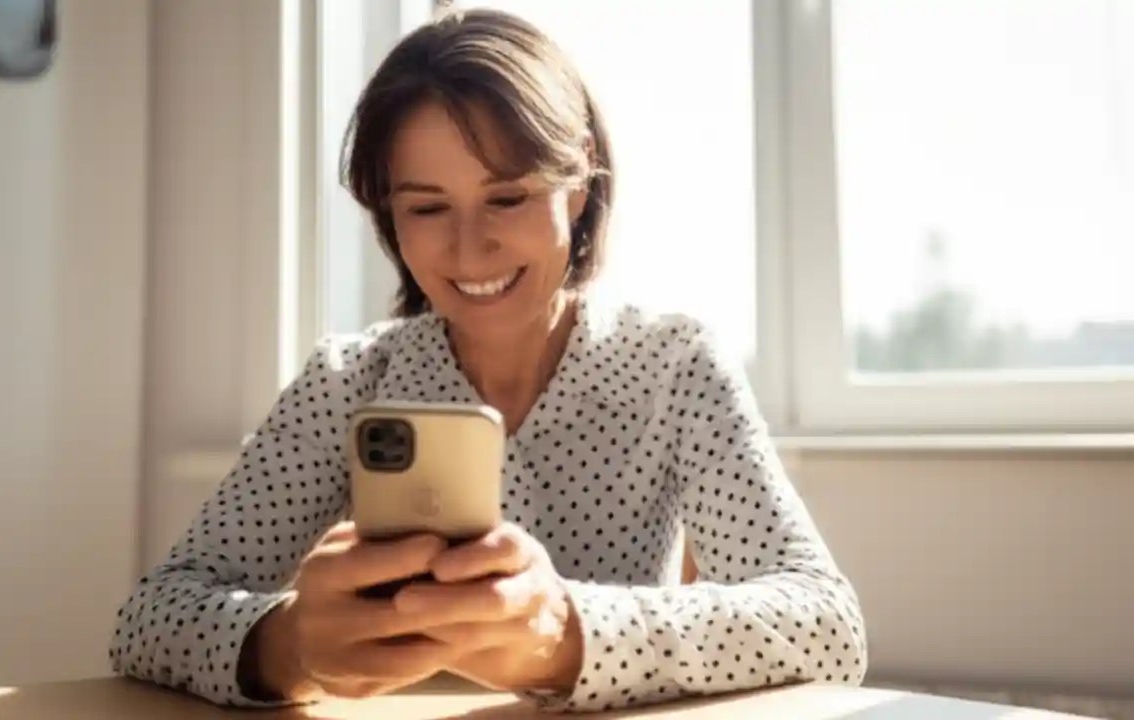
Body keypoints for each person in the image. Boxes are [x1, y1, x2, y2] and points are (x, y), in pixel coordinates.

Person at [109, 8, 867, 713]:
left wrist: (565, 632)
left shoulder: (674, 365)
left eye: (507, 198)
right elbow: (147, 620)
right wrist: (288, 646)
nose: (470, 250)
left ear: (578, 186)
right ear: (387, 216)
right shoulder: (346, 385)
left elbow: (828, 628)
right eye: (427, 208)